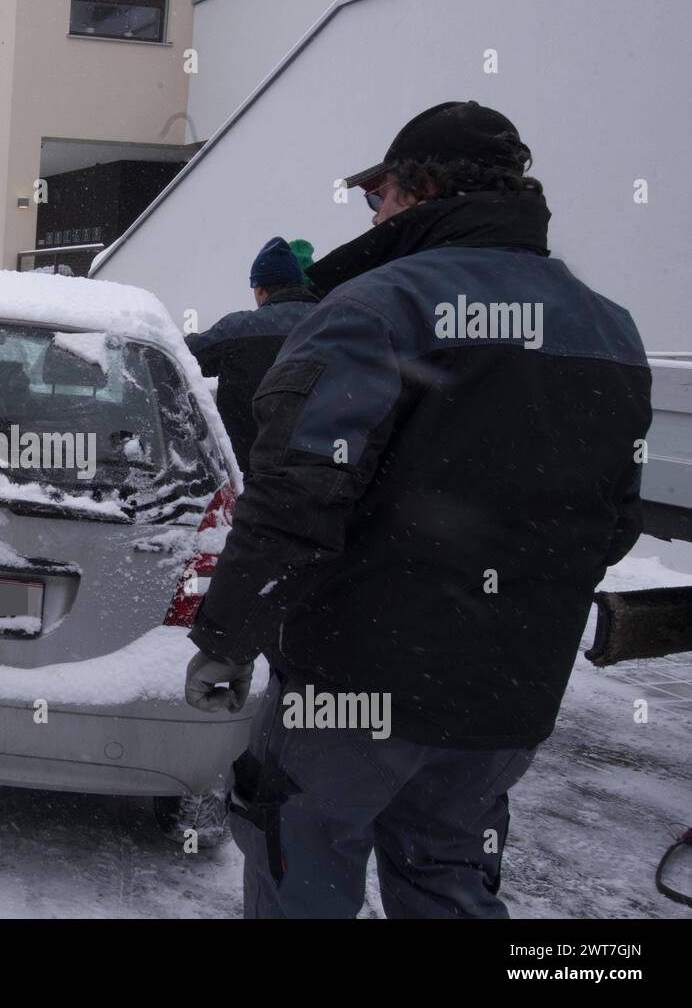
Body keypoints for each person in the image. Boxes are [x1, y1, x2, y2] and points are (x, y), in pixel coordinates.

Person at [183, 102, 652, 918]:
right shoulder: (610, 330)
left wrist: (226, 642)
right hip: (508, 697)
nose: (375, 212)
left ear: (419, 189)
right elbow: (613, 525)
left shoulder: (377, 308)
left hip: (355, 682)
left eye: (380, 196)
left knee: (304, 863)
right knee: (447, 875)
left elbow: (297, 496)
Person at [186, 237, 318, 473]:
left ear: (260, 289)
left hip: (250, 471)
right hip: (318, 475)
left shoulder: (238, 329)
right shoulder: (334, 321)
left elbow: (183, 356)